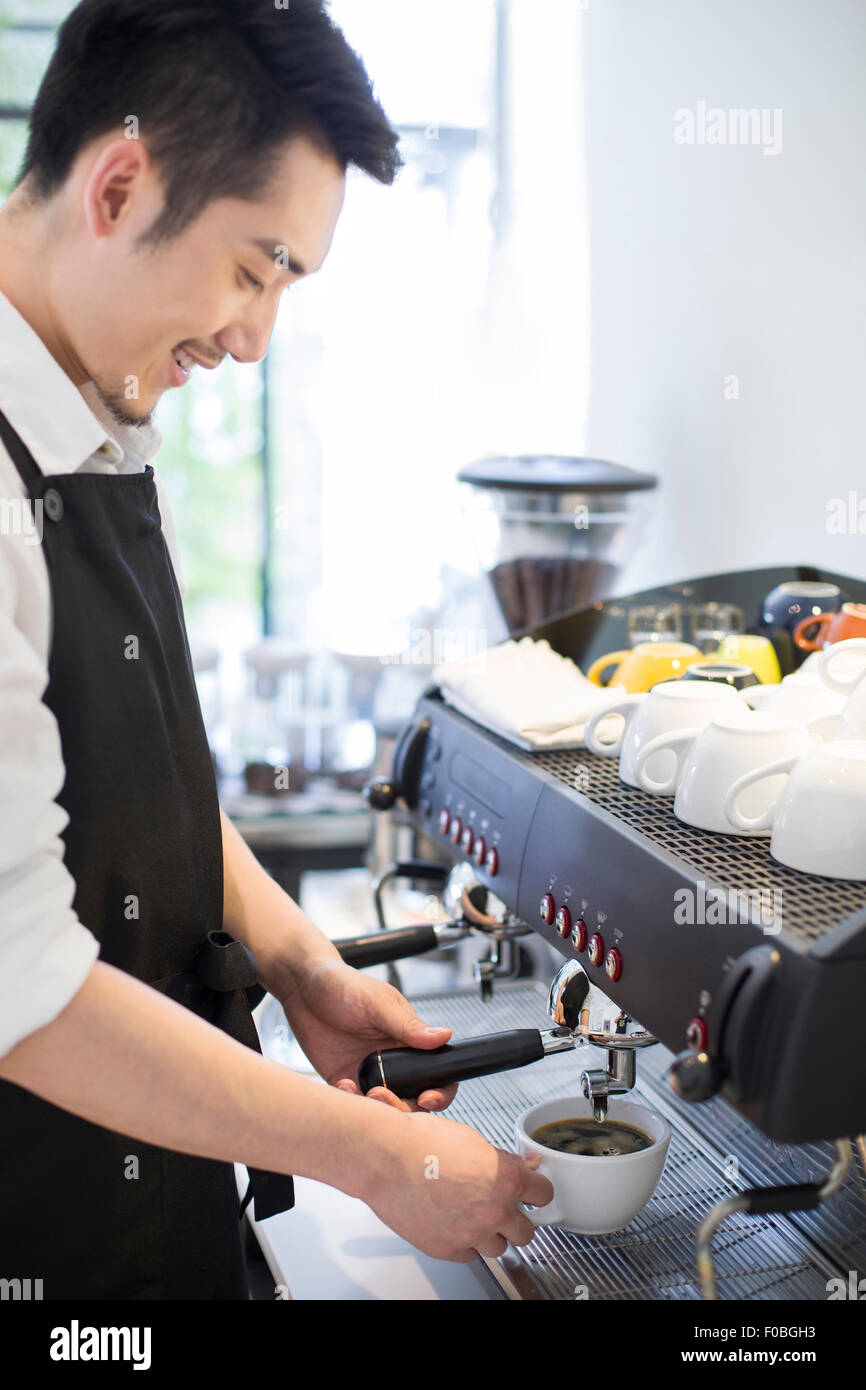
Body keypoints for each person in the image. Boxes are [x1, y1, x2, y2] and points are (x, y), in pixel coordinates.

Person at [0, 0, 551, 1300]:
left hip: (158, 1217)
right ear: (120, 183)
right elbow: (21, 985)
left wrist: (301, 960)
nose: (253, 340)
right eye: (255, 271)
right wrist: (377, 1156)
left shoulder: (97, 430)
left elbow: (145, 778)